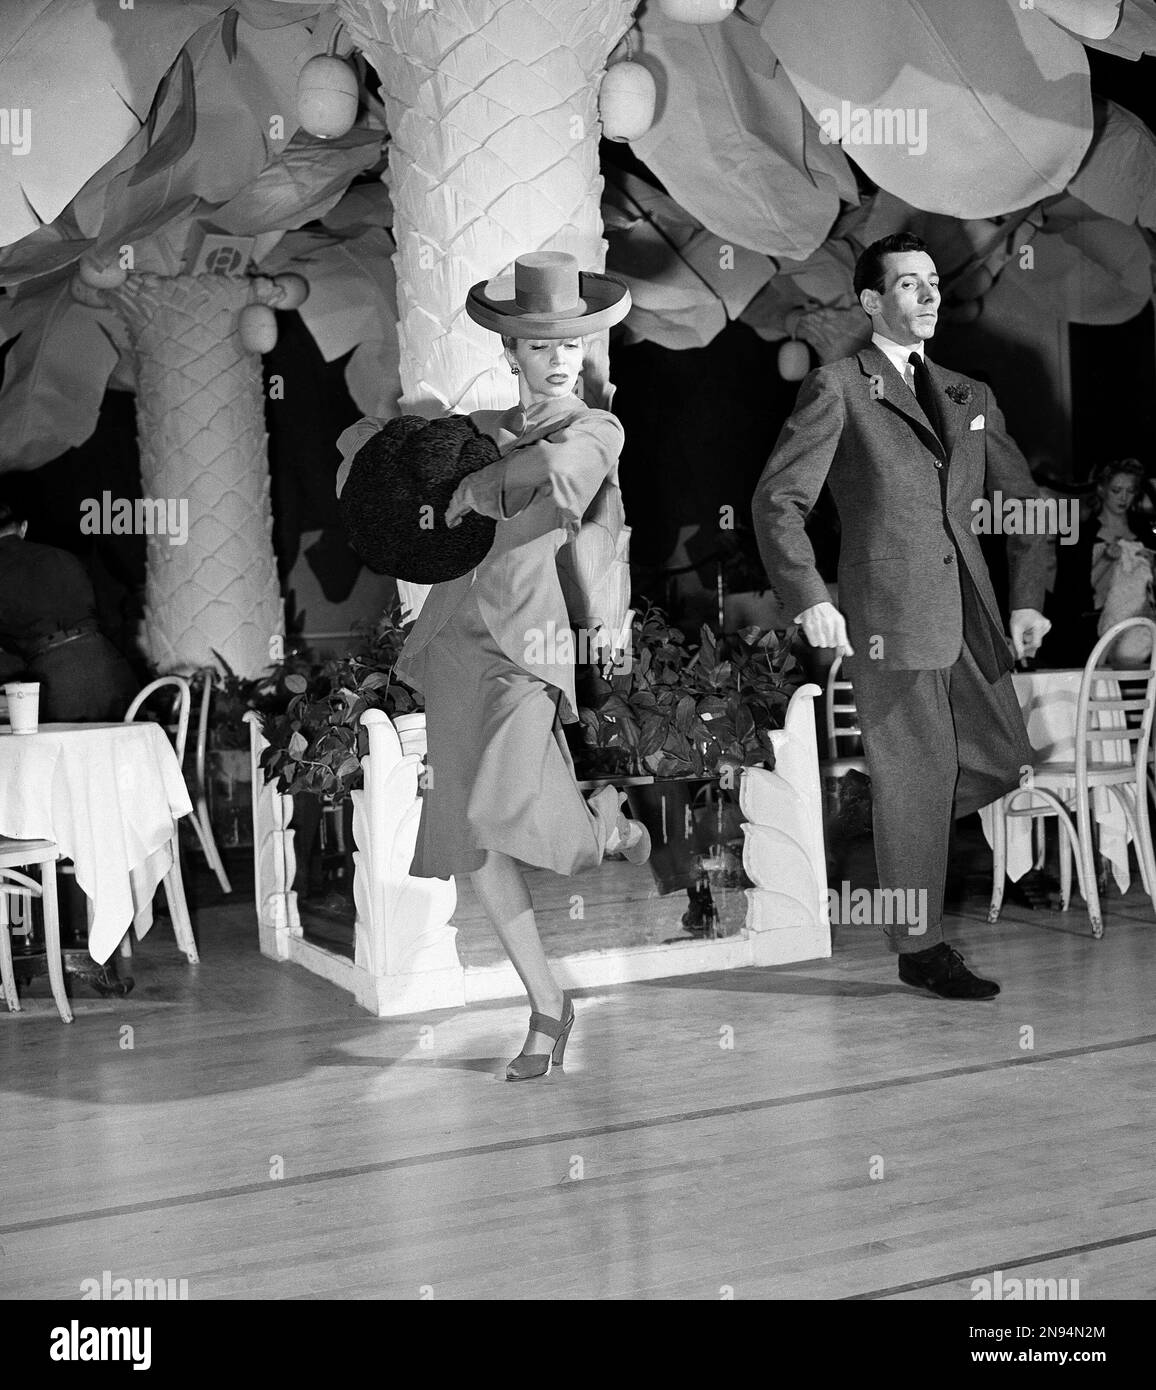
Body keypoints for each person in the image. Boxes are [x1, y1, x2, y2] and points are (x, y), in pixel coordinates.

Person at [337, 252, 649, 1079]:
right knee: (474, 844)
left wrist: (469, 491)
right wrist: (398, 451)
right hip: (454, 646)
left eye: (571, 346)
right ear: (511, 354)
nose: (558, 360)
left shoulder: (595, 429)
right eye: (540, 347)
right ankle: (547, 1005)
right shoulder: (480, 431)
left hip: (532, 646)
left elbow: (556, 474)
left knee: (505, 802)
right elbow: (375, 450)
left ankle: (607, 822)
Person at [753, 232, 1051, 1000]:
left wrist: (1026, 597)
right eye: (910, 284)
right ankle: (920, 945)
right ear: (871, 301)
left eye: (933, 283)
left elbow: (1025, 505)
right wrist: (811, 598)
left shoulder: (967, 394)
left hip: (973, 619)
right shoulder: (840, 388)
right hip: (889, 619)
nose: (929, 296)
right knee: (917, 774)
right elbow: (778, 502)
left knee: (999, 759)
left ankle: (877, 810)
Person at [0, 503, 138, 722]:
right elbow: (113, 613)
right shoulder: (62, 556)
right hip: (111, 667)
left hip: (58, 682)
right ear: (23, 528)